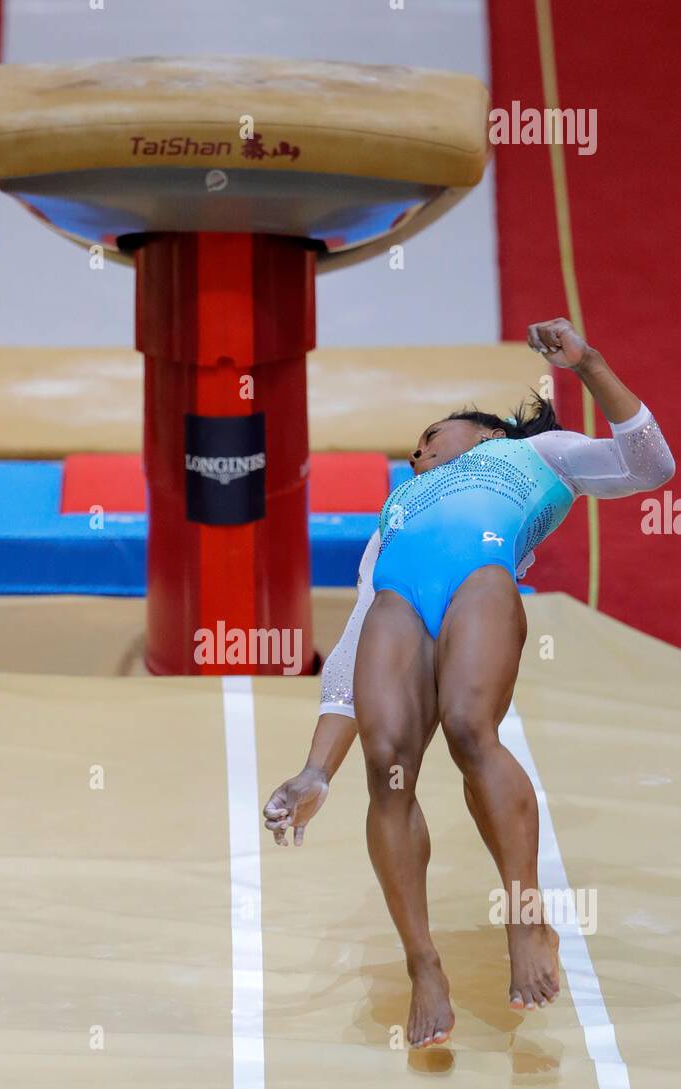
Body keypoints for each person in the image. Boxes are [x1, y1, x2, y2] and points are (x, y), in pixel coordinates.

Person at [262, 318, 675, 1048]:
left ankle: (523, 913)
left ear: (483, 436)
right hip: (398, 602)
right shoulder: (395, 510)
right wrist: (313, 769)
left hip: (480, 582)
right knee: (387, 767)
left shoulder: (537, 452)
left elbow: (651, 467)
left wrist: (590, 364)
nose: (419, 448)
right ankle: (425, 964)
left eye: (433, 432)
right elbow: (360, 625)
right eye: (416, 445)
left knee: (467, 729)